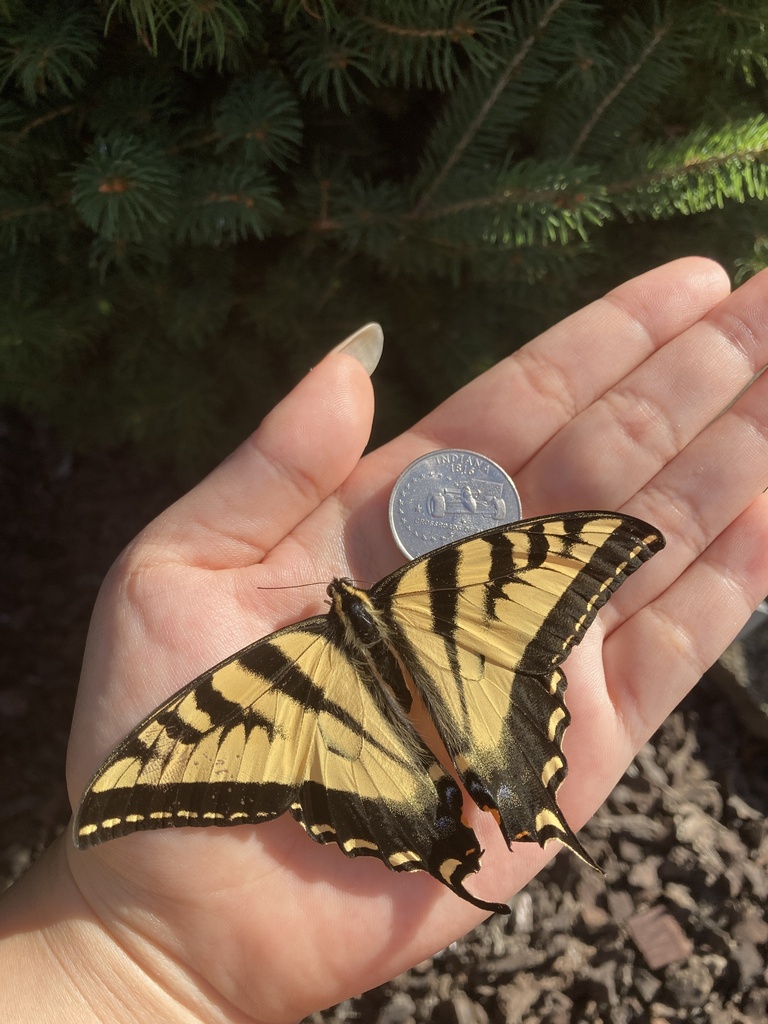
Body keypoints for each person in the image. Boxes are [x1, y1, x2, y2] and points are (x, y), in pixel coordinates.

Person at [2, 257, 767, 1023]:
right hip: (460, 686)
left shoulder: (285, 664)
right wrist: (124, 934)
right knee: (487, 708)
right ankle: (485, 809)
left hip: (356, 745)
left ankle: (473, 818)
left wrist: (114, 939)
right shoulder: (436, 589)